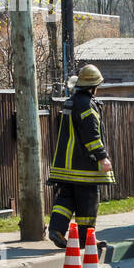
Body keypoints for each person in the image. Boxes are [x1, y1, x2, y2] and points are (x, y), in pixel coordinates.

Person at [48, 64, 115, 248]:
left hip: (65, 166)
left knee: (66, 198)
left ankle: (56, 230)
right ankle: (86, 239)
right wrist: (102, 157)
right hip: (84, 166)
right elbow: (91, 135)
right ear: (93, 86)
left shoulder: (70, 101)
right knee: (88, 200)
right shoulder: (87, 105)